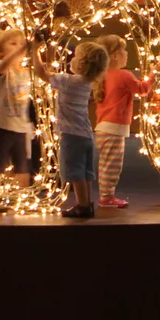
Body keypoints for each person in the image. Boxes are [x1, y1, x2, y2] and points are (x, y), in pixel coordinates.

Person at [51, 40, 109, 219]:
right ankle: (87, 203)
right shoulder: (86, 82)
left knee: (75, 172)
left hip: (71, 135)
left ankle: (82, 206)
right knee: (85, 171)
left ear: (82, 63)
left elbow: (41, 73)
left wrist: (35, 52)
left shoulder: (69, 81)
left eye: (75, 56)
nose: (71, 59)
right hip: (85, 134)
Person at [93, 33, 147, 208]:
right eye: (123, 50)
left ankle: (106, 195)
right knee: (113, 166)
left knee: (105, 164)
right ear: (115, 55)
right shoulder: (123, 75)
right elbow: (142, 89)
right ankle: (107, 197)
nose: (127, 53)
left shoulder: (102, 75)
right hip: (114, 128)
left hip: (102, 127)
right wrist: (153, 75)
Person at [0, 27, 35, 185]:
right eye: (13, 43)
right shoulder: (1, 68)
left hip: (21, 128)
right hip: (1, 126)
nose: (18, 46)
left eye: (20, 43)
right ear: (1, 52)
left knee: (23, 169)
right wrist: (23, 47)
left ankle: (22, 199)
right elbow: (4, 64)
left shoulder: (27, 73)